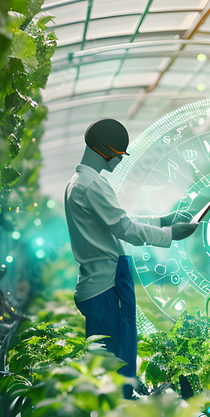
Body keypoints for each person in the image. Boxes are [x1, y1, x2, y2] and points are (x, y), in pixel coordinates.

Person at [63, 118, 199, 397]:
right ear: (106, 149)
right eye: (119, 154)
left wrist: (162, 219)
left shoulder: (79, 183)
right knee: (117, 359)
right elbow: (124, 229)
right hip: (106, 284)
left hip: (97, 280)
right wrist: (169, 234)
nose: (120, 160)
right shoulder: (91, 185)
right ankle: (119, 411)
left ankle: (116, 407)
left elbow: (117, 220)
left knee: (107, 357)